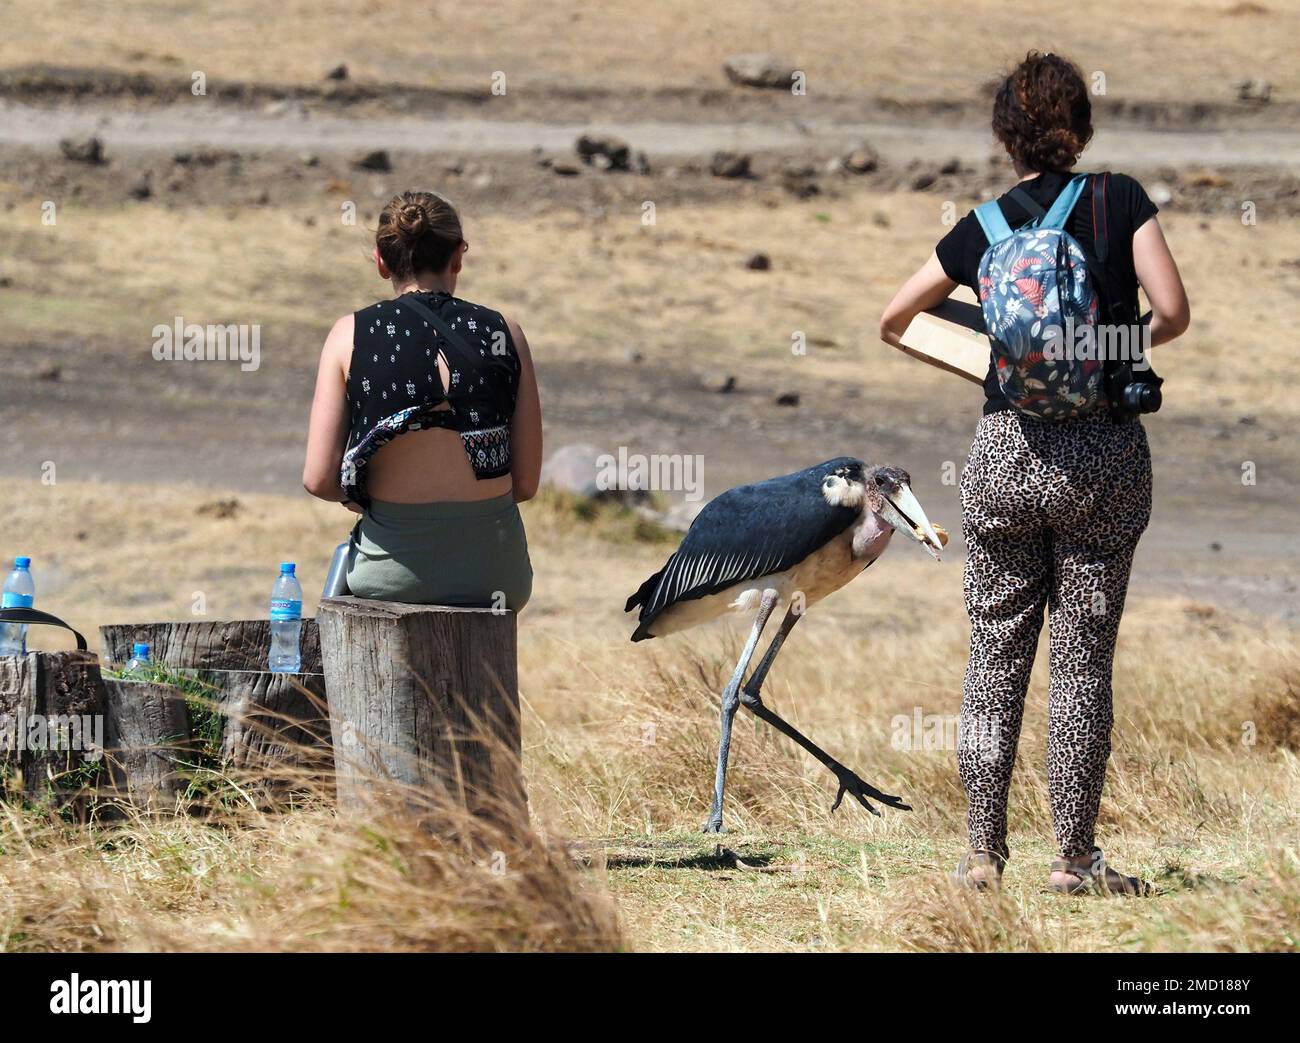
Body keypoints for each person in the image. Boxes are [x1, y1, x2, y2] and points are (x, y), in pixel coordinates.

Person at [879, 52, 1190, 893]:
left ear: (1005, 138)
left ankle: (981, 855)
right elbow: (1173, 312)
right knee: (1084, 662)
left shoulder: (981, 225)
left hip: (1003, 456)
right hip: (1102, 458)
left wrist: (1002, 362)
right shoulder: (1119, 199)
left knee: (994, 650)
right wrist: (1102, 351)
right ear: (1081, 129)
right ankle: (1077, 862)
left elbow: (894, 317)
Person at [303, 191, 542, 611]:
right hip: (497, 575)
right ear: (457, 258)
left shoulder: (349, 334)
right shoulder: (506, 332)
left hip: (390, 576)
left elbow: (319, 479)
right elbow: (524, 483)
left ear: (381, 260)